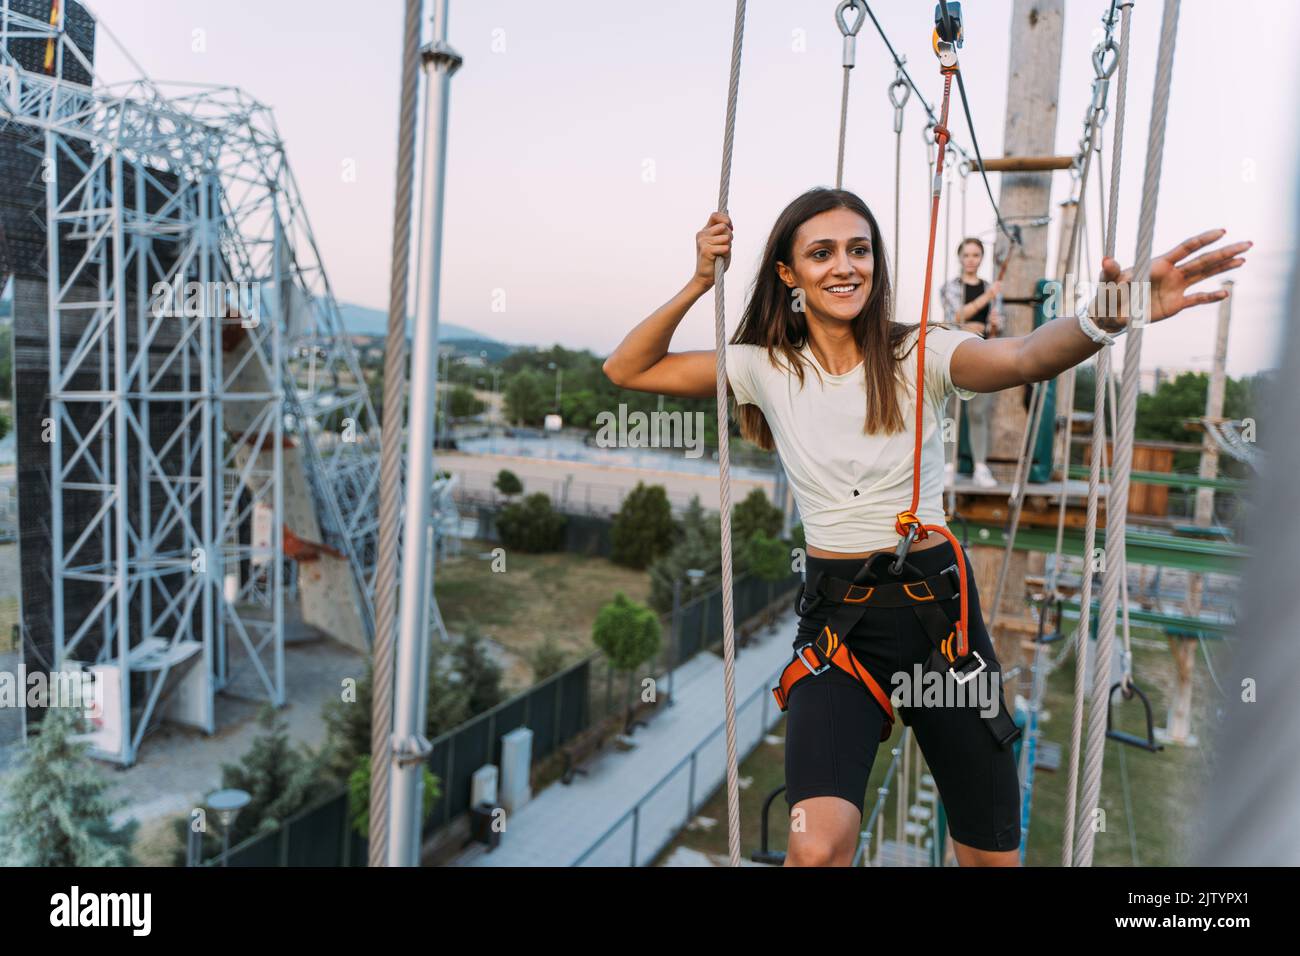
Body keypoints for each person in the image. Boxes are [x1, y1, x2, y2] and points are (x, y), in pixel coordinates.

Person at [601, 187, 1248, 866]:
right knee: (815, 850)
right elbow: (627, 367)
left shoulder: (922, 352)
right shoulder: (765, 368)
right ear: (788, 275)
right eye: (821, 253)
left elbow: (1026, 357)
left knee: (989, 859)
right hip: (839, 627)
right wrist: (701, 282)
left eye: (859, 249)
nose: (845, 266)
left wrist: (1111, 314)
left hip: (940, 626)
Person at [940, 237, 1002, 488]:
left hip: (982, 355)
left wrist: (992, 325)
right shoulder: (950, 288)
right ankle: (947, 465)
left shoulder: (992, 289)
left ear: (981, 259)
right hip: (954, 353)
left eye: (976, 255)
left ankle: (980, 467)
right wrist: (987, 299)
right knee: (950, 413)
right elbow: (956, 316)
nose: (970, 260)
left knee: (978, 413)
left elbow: (995, 328)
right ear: (959, 257)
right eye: (966, 255)